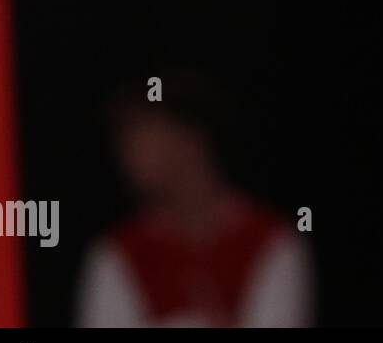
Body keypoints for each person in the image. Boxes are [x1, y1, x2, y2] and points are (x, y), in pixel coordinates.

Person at [76, 71, 314, 327]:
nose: (126, 155)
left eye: (142, 131)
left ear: (190, 138)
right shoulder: (117, 252)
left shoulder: (271, 239)